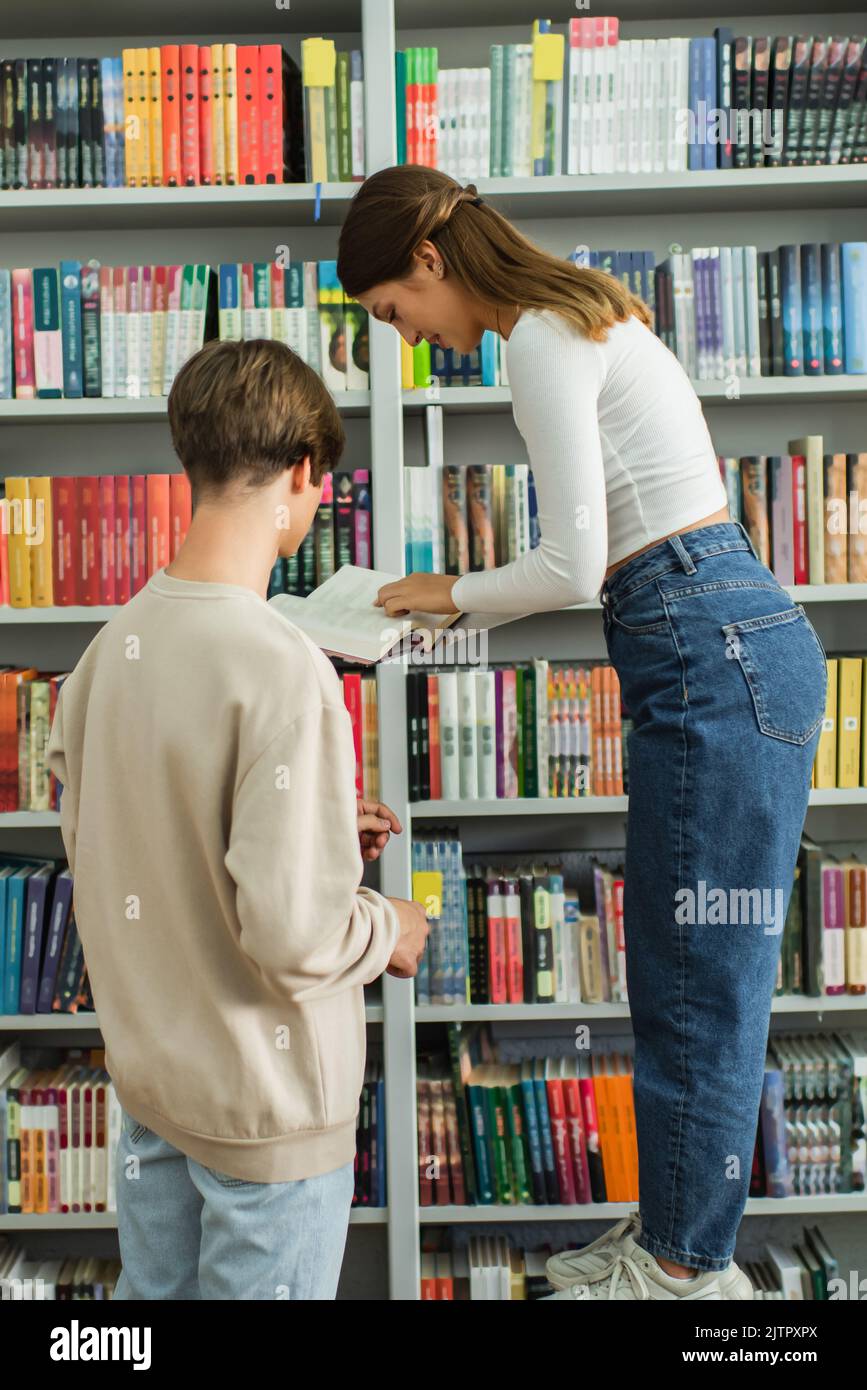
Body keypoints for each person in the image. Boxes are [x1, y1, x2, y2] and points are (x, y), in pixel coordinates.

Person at [337, 165, 828, 1302]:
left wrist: (443, 590)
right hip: (716, 636)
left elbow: (566, 564)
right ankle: (671, 1233)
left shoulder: (542, 340)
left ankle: (683, 1264)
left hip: (709, 647)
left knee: (701, 973)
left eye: (391, 312)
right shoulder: (576, 315)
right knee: (679, 966)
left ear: (426, 260)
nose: (405, 337)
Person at [46, 338, 429, 1300]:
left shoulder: (108, 651)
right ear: (303, 472)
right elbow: (293, 935)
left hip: (156, 1095)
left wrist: (314, 834)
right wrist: (390, 929)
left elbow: (121, 850)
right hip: (266, 1117)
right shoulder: (282, 664)